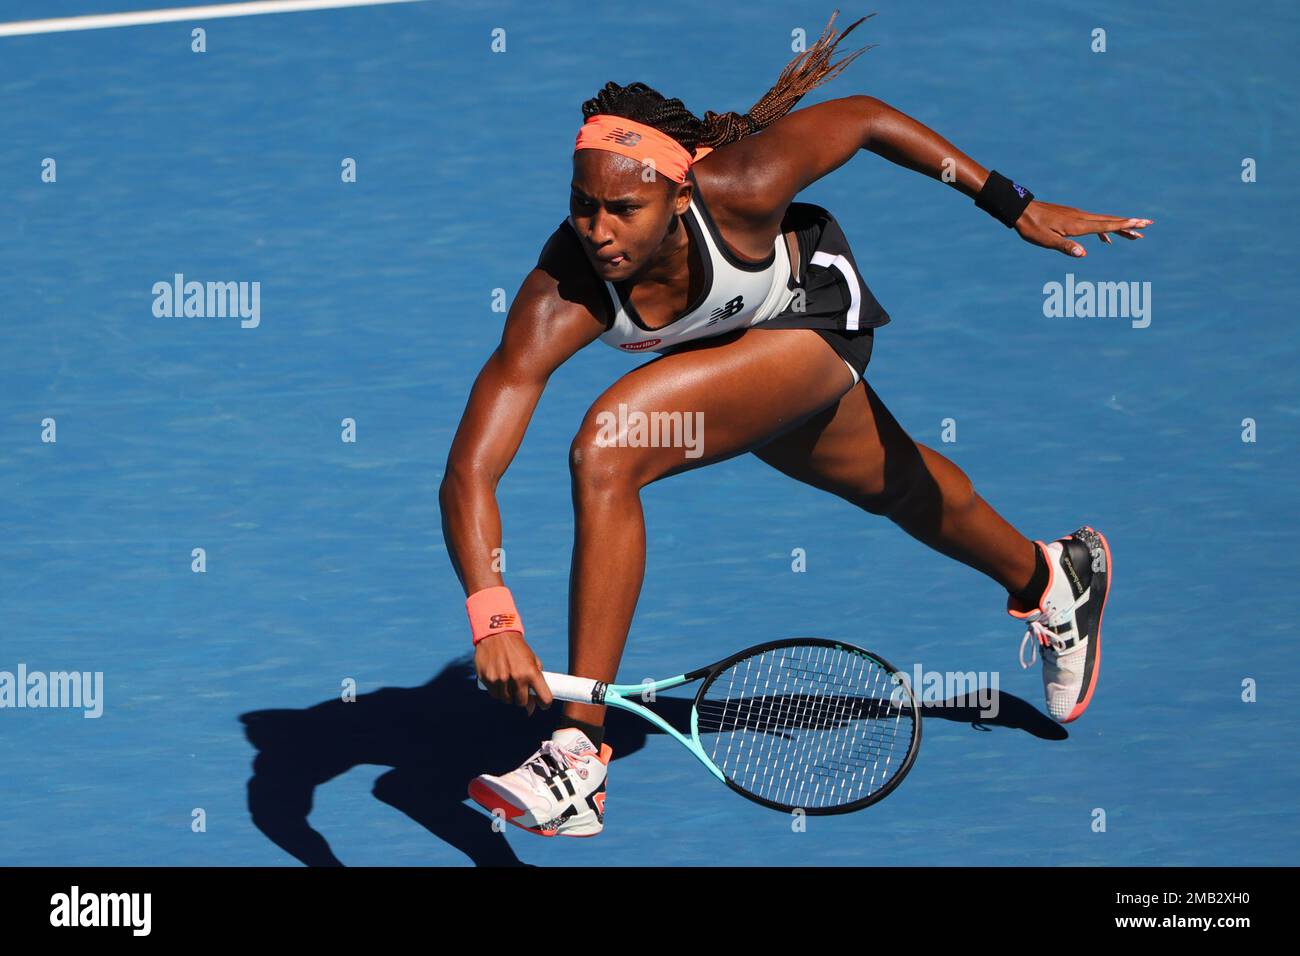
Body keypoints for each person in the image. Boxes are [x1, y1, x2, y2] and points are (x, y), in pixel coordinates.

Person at [442, 12, 1144, 837]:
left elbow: (868, 117)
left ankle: (578, 757)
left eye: (623, 209)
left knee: (611, 446)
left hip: (815, 315)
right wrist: (493, 616)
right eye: (583, 206)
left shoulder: (742, 184)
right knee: (901, 489)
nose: (598, 231)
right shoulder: (557, 294)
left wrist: (1011, 203)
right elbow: (470, 472)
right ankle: (1055, 576)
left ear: (679, 193)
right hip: (737, 347)